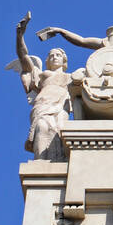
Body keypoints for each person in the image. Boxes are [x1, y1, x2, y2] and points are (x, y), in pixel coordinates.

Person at [14, 12, 72, 161]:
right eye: (51, 55)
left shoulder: (72, 77)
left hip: (61, 106)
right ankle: (40, 162)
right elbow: (24, 58)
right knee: (41, 127)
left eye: (57, 55)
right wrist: (19, 35)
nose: (54, 57)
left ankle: (58, 165)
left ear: (64, 61)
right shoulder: (41, 75)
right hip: (42, 105)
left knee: (60, 133)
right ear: (46, 60)